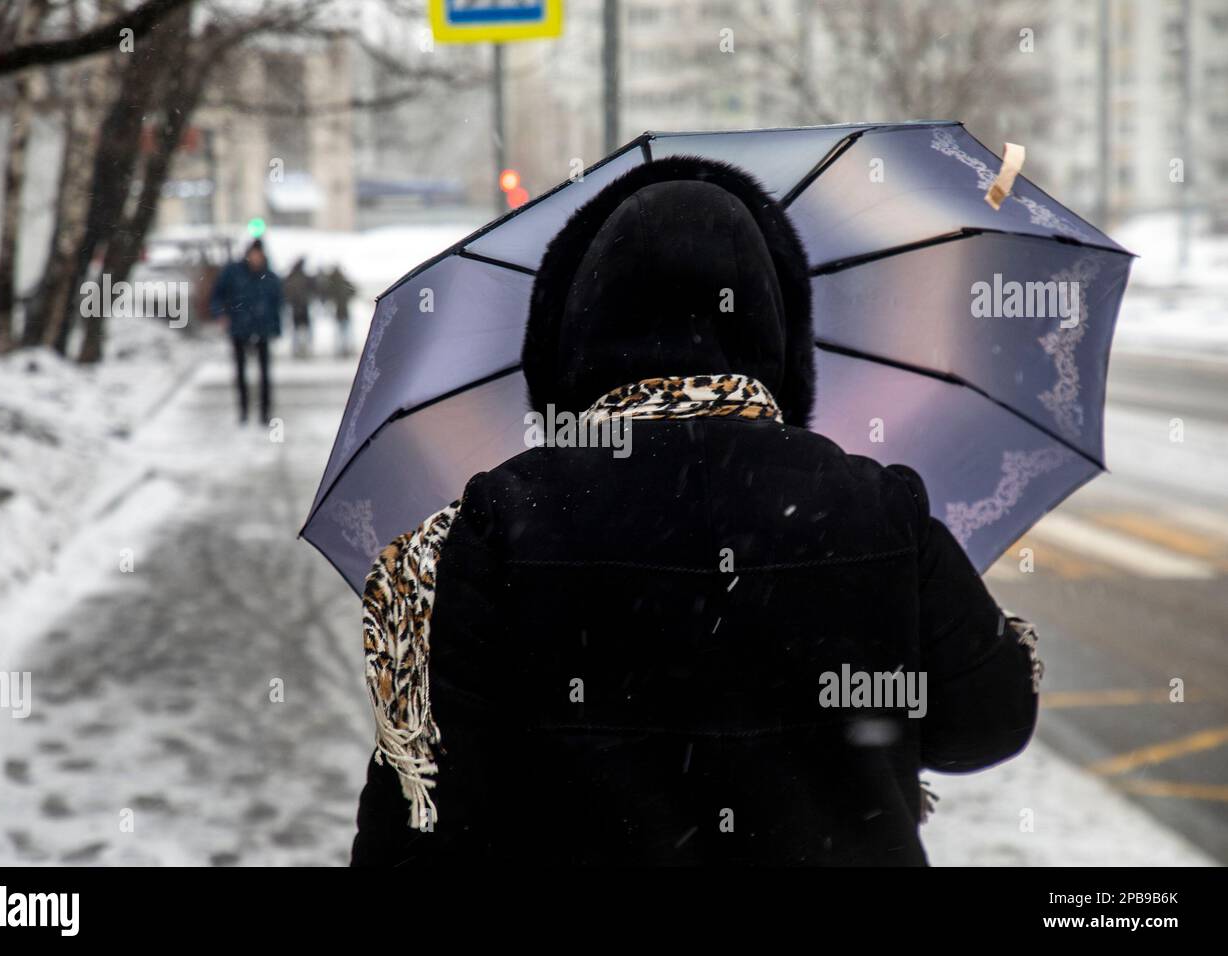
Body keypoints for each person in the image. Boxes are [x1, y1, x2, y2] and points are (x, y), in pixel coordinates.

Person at [349, 157, 1041, 866]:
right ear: (778, 335)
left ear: (573, 334)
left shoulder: (494, 525)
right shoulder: (879, 508)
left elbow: (425, 819)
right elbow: (988, 721)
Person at [210, 239, 282, 425]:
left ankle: (264, 413)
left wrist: (276, 328)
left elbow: (277, 304)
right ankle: (243, 411)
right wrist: (221, 315)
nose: (256, 258)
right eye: (253, 254)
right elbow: (217, 295)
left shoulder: (270, 276)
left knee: (265, 374)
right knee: (240, 372)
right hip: (239, 329)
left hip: (262, 329)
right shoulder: (233, 273)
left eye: (259, 255)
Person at [322, 265, 357, 357]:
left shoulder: (333, 283)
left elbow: (327, 294)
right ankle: (346, 349)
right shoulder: (343, 282)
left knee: (340, 331)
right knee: (345, 331)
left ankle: (341, 349)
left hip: (339, 310)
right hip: (343, 310)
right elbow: (354, 291)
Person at [282, 258, 314, 358]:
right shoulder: (302, 276)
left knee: (298, 330)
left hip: (298, 307)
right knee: (303, 330)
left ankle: (298, 349)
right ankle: (302, 349)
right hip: (300, 306)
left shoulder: (292, 276)